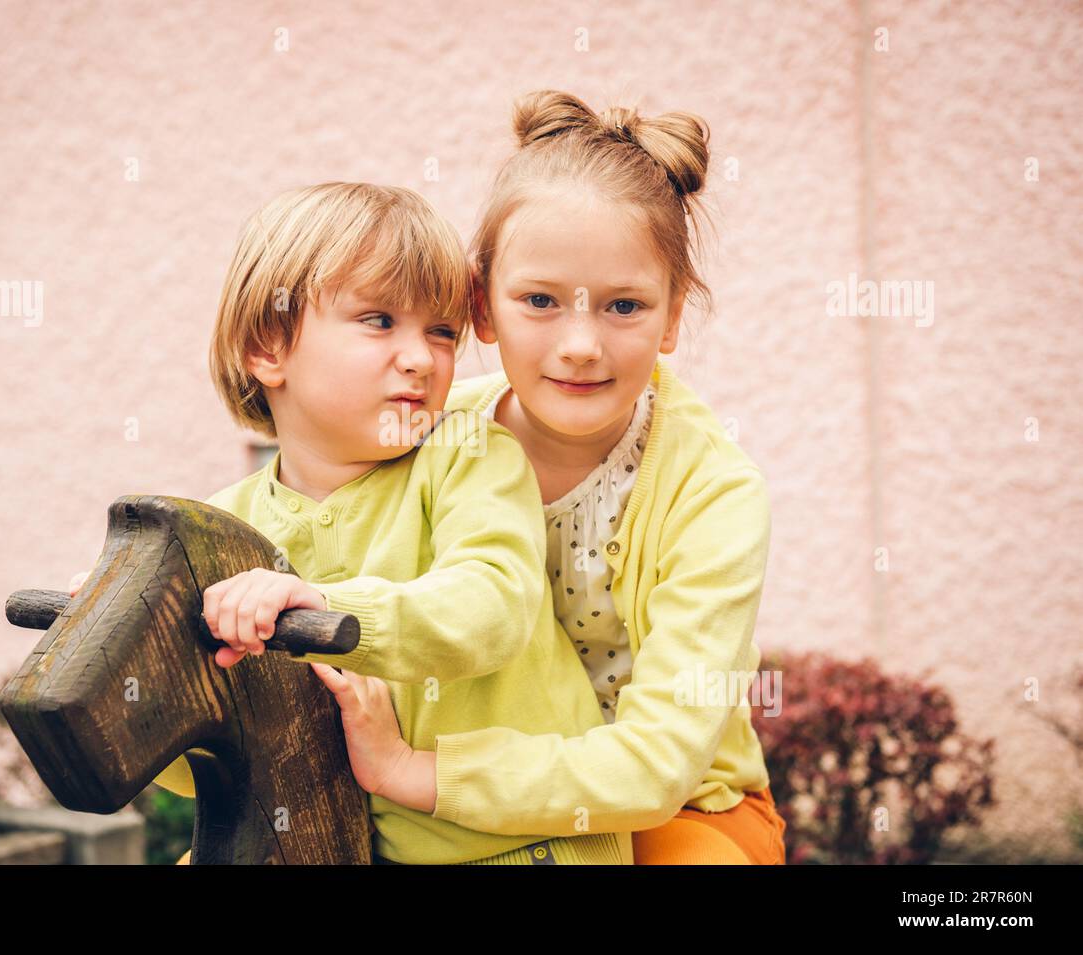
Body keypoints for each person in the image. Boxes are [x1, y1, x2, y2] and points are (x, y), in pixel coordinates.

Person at [72, 181, 632, 865]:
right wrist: (133, 651)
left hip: (523, 846)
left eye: (442, 330)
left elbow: (491, 607)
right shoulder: (223, 529)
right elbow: (211, 764)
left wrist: (328, 606)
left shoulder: (469, 457)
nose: (422, 357)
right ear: (267, 345)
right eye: (378, 320)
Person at [311, 90, 787, 864]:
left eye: (623, 305)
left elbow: (657, 765)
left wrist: (417, 772)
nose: (578, 345)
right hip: (448, 810)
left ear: (672, 318)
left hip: (673, 807)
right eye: (538, 300)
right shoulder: (435, 434)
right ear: (483, 303)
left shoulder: (714, 492)